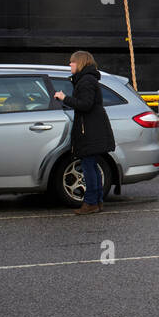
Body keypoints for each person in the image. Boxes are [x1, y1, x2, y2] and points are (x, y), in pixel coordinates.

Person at [52, 51, 116, 215]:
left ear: (79, 63)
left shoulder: (86, 81)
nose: (70, 65)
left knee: (88, 168)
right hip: (92, 129)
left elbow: (85, 105)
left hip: (89, 131)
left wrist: (64, 97)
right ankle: (97, 201)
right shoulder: (88, 79)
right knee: (92, 167)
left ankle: (90, 203)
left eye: (72, 62)